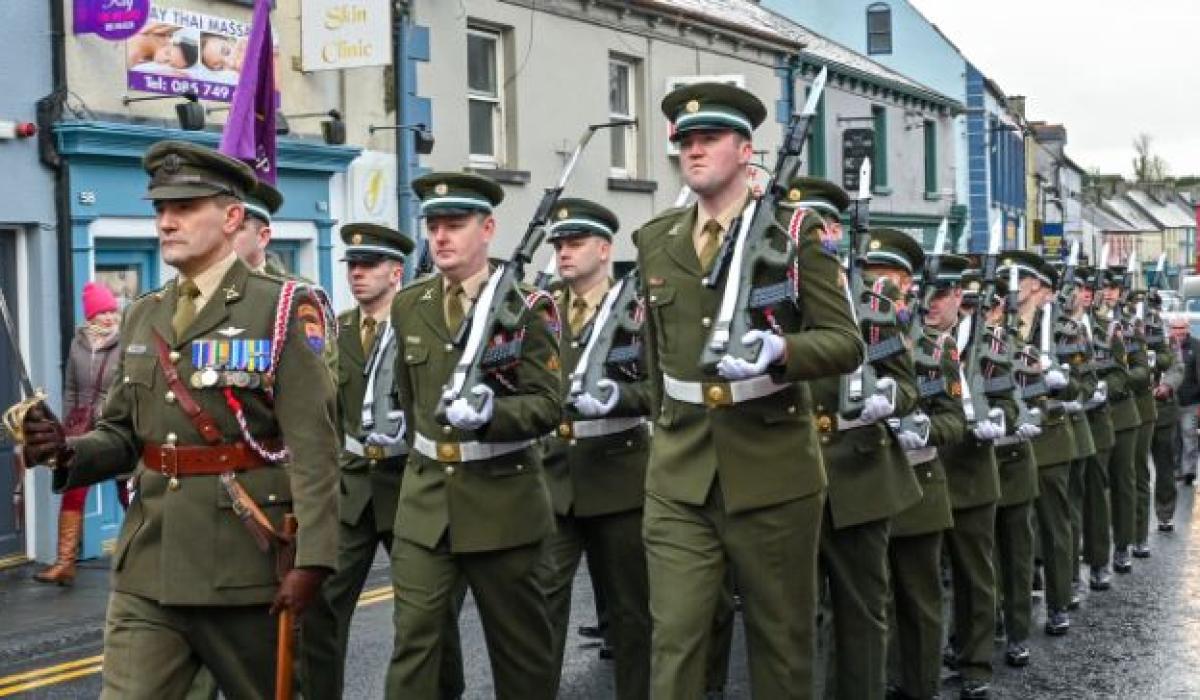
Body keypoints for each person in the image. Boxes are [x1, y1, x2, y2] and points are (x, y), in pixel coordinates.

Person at [19, 140, 339, 698]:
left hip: (248, 567)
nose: (166, 222)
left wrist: (312, 561)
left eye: (184, 208)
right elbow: (122, 433)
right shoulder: (146, 313)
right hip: (151, 564)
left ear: (232, 215)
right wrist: (68, 451)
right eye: (160, 209)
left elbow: (315, 450)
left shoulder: (283, 307)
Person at [633, 82, 863, 699]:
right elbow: (657, 356)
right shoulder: (656, 240)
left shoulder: (795, 235)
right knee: (676, 638)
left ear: (744, 149)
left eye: (709, 138)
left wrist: (782, 351)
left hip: (772, 470)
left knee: (781, 644)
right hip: (680, 473)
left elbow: (845, 342)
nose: (694, 150)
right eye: (685, 140)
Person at [386, 172, 561, 698]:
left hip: (501, 499)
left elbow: (549, 403)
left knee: (520, 651)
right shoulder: (409, 303)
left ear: (486, 229)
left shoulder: (526, 307)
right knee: (414, 642)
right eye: (433, 226)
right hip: (425, 503)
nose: (440, 237)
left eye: (454, 225)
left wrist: (490, 415)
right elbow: (411, 396)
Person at [533, 198, 652, 699]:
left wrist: (617, 398)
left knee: (631, 615)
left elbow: (659, 388)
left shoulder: (635, 311)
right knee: (539, 611)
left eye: (575, 243)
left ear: (604, 250)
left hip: (620, 477)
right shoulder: (538, 312)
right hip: (556, 481)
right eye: (559, 244)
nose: (564, 252)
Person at [807, 222, 921, 700]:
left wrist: (890, 397)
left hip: (859, 470)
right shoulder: (767, 298)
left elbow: (908, 386)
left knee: (861, 613)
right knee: (794, 618)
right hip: (790, 470)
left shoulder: (873, 308)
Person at [885, 253, 967, 699]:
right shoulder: (855, 336)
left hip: (917, 484)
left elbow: (955, 421)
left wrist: (924, 430)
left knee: (919, 600)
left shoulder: (936, 349)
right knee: (867, 607)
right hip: (864, 484)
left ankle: (919, 685)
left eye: (890, 281)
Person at [938, 264, 1007, 699]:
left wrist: (1001, 417)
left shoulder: (987, 342)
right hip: (924, 471)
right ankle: (933, 655)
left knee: (973, 575)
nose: (937, 305)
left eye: (950, 296)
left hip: (970, 472)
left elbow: (1009, 393)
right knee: (924, 579)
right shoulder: (911, 339)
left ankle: (976, 661)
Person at [1004, 252, 1078, 637]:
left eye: (1015, 282)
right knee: (1012, 533)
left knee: (1053, 526)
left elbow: (1080, 381)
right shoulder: (997, 325)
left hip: (1048, 438)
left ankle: (1059, 601)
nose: (1008, 290)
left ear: (1035, 286)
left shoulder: (1060, 327)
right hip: (1008, 439)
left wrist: (1060, 383)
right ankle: (1007, 610)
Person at [33, 282, 123, 586]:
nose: (110, 318)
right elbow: (71, 387)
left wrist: (110, 412)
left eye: (112, 311)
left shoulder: (126, 343)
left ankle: (137, 559)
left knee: (127, 492)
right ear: (91, 316)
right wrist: (70, 419)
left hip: (116, 425)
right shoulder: (78, 344)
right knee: (73, 489)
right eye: (103, 312)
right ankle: (65, 562)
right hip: (82, 428)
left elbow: (130, 386)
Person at [1099, 265, 1142, 574]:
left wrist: (1120, 382)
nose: (1109, 293)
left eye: (1114, 288)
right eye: (1105, 288)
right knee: (1097, 490)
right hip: (1095, 416)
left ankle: (1124, 544)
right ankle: (1098, 556)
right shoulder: (1087, 325)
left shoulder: (1129, 325)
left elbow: (1142, 367)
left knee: (1123, 483)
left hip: (1124, 413)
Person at [1147, 300, 1182, 534]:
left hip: (1163, 411)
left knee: (1165, 466)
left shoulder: (1167, 339)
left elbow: (1177, 367)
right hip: (1136, 412)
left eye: (1153, 309)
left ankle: (1165, 512)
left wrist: (1166, 386)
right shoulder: (1126, 332)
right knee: (1134, 469)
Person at [1172, 318, 1199, 485]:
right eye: (1175, 328)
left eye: (1181, 328)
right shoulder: (1167, 347)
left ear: (1187, 328)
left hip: (1191, 401)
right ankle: (1177, 470)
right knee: (1174, 439)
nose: (1179, 331)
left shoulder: (1196, 346)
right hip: (1171, 402)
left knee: (1189, 436)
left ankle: (1189, 472)